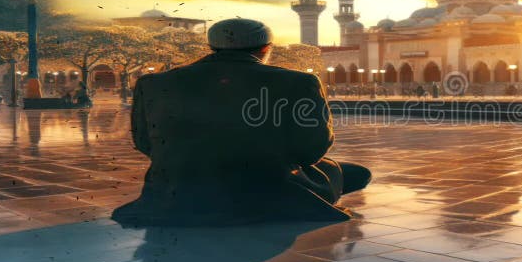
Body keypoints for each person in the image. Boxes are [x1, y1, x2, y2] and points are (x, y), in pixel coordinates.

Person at [113, 18, 371, 226]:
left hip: (178, 191)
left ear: (212, 47)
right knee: (356, 174)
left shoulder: (153, 83)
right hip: (267, 189)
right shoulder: (299, 82)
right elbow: (312, 149)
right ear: (266, 48)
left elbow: (145, 142)